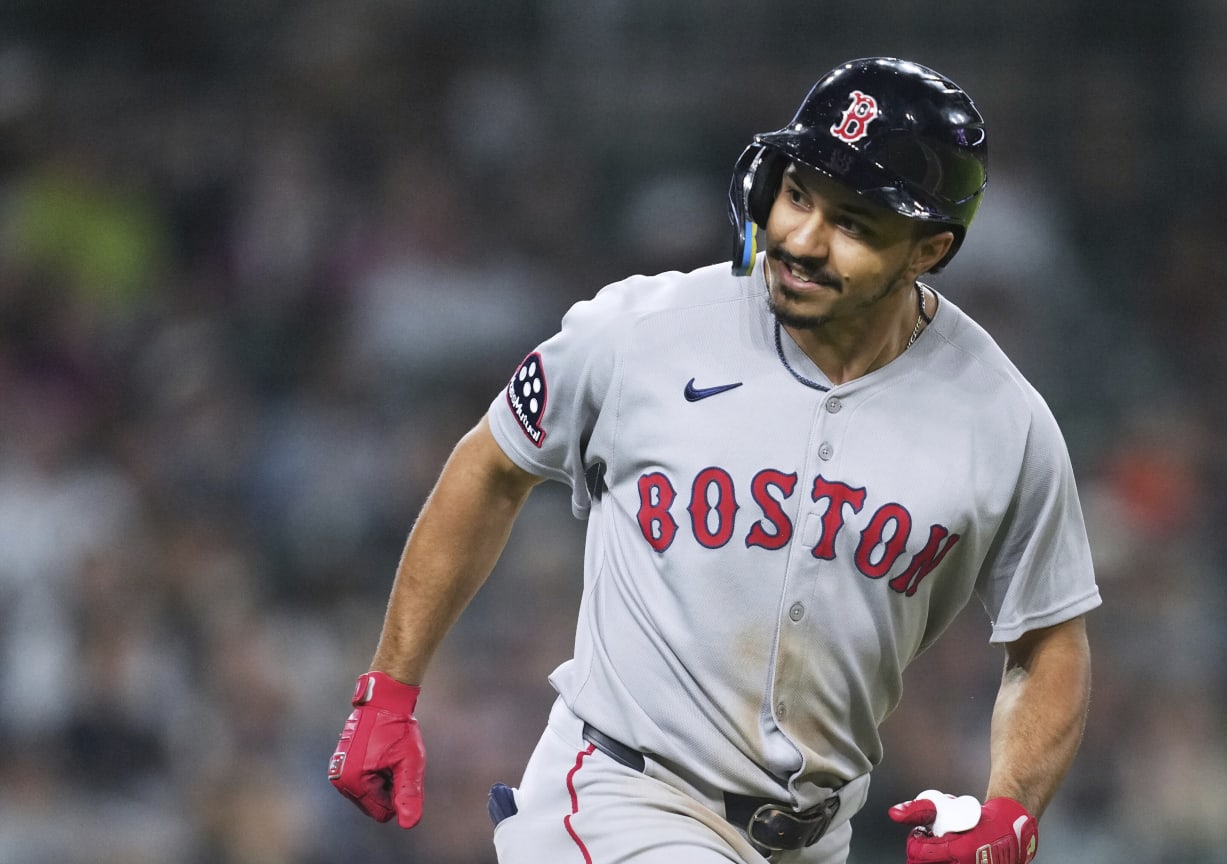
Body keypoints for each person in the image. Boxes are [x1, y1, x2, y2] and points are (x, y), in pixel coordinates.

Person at [329, 57, 1100, 864]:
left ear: (929, 248)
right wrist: (389, 686)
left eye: (854, 223)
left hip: (813, 840)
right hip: (618, 797)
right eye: (798, 195)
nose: (801, 239)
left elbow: (1048, 639)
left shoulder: (1003, 421)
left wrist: (1012, 807)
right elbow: (491, 464)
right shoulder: (641, 332)